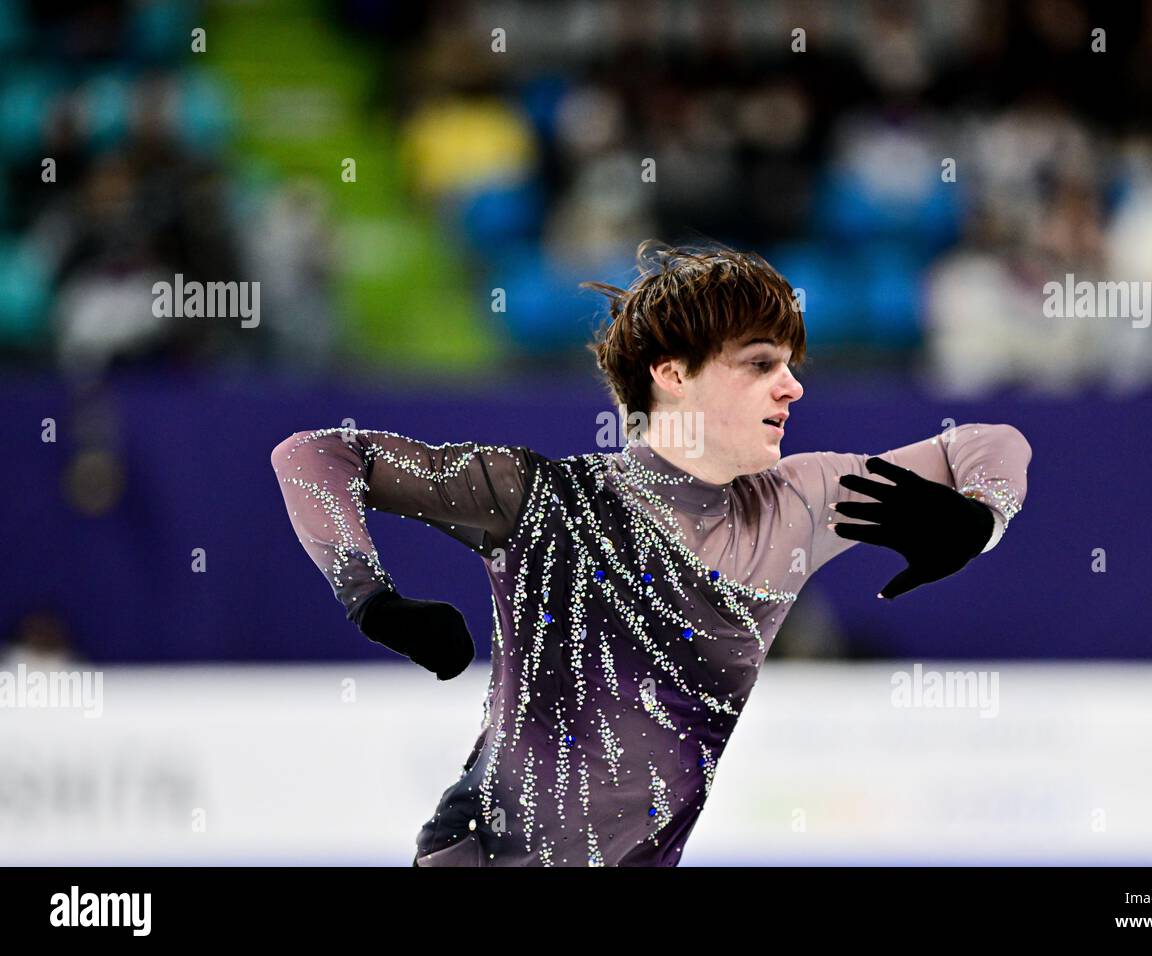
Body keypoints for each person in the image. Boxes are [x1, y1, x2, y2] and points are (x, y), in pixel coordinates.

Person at [270, 241, 1032, 866]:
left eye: (791, 365)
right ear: (672, 374)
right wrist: (371, 599)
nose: (793, 388)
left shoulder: (800, 503)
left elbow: (992, 442)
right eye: (762, 364)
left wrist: (978, 522)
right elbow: (315, 455)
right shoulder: (540, 496)